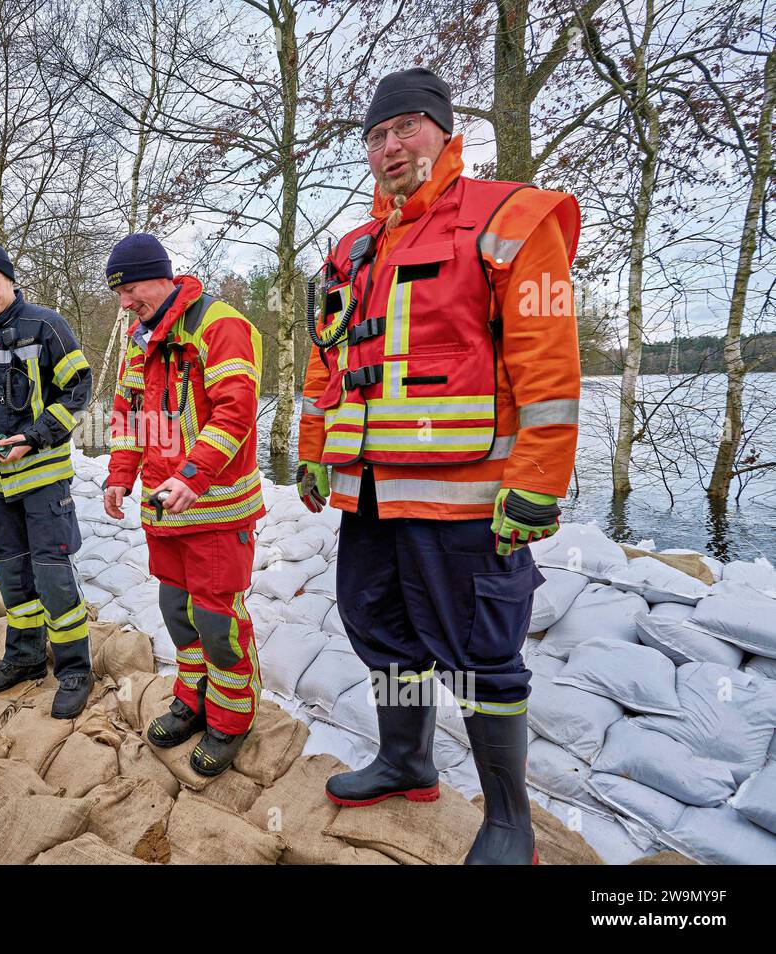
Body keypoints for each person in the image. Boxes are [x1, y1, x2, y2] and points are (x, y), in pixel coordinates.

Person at [297, 67, 581, 864]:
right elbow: (327, 361)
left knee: (483, 652)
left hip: (467, 498)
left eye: (406, 128)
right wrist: (313, 451)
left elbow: (550, 367)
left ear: (446, 132)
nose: (390, 147)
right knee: (381, 632)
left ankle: (508, 821)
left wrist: (536, 483)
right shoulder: (351, 249)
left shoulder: (512, 219)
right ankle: (407, 759)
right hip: (372, 497)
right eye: (377, 136)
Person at [102, 234, 265, 777]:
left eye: (129, 289)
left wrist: (193, 475)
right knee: (178, 614)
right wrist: (120, 476)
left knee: (218, 623)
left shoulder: (220, 326)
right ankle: (191, 699)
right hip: (164, 511)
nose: (124, 301)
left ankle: (231, 718)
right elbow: (127, 418)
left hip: (216, 512)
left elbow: (234, 414)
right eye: (118, 293)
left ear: (160, 277)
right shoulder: (138, 338)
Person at [0, 237, 94, 718]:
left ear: (10, 279)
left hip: (44, 480)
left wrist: (34, 437)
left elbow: (79, 389)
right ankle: (25, 657)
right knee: (12, 577)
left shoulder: (46, 325)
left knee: (53, 579)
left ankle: (74, 669)